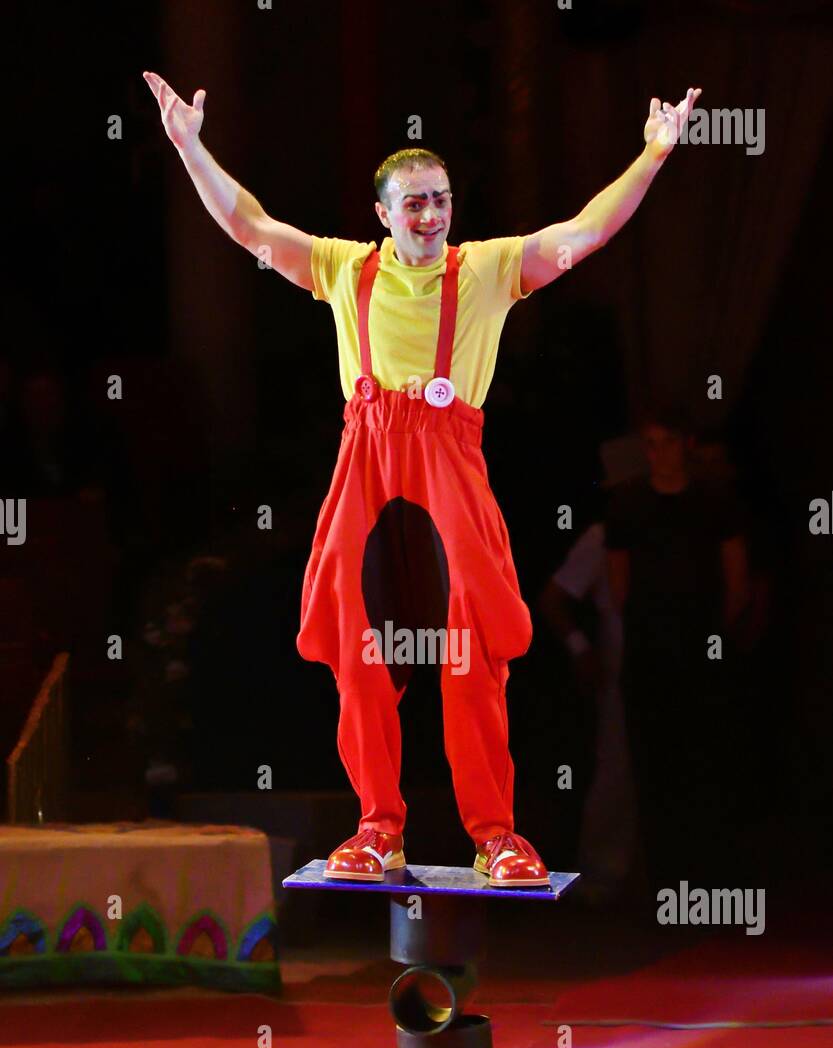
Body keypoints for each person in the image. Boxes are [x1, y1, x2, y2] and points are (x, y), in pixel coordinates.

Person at [144, 70, 701, 886]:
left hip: (449, 466)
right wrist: (191, 148)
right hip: (367, 465)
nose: (431, 215)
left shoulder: (485, 272)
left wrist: (653, 154)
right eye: (413, 203)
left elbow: (584, 232)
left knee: (471, 650)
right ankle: (378, 827)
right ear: (382, 215)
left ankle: (495, 835)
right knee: (360, 649)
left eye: (439, 199)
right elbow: (247, 223)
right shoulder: (343, 271)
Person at [605, 409, 749, 891]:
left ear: (684, 444)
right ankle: (661, 878)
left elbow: (736, 576)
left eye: (666, 442)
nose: (658, 453)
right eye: (650, 444)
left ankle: (706, 873)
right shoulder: (628, 503)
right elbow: (618, 581)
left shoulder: (713, 500)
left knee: (702, 758)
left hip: (700, 648)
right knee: (652, 761)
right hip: (649, 649)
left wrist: (716, 635)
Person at [540, 512, 638, 903]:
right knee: (617, 763)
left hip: (679, 666)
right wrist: (581, 649)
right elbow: (554, 597)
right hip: (624, 666)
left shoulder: (693, 522)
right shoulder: (606, 533)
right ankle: (602, 873)